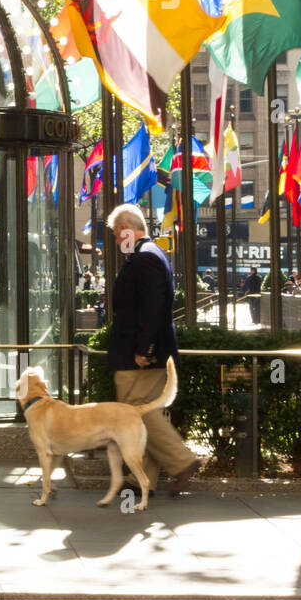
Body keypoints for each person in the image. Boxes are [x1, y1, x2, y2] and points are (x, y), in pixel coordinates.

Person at [105, 204, 200, 497]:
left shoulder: (145, 258)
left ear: (126, 231)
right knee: (145, 410)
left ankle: (182, 462)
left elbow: (151, 308)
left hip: (140, 354)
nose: (118, 243)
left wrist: (144, 348)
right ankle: (144, 479)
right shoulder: (149, 255)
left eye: (117, 236)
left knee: (135, 411)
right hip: (145, 350)